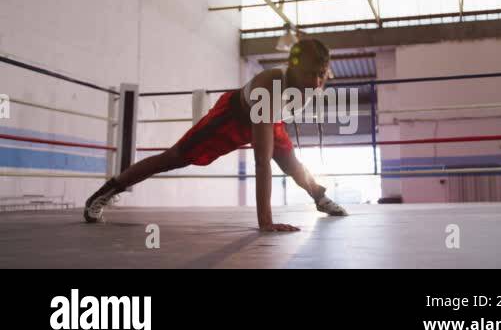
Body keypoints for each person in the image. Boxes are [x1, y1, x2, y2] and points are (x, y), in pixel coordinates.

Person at [84, 39, 348, 232]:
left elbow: (314, 73)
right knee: (174, 157)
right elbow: (261, 162)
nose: (316, 82)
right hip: (233, 117)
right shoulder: (270, 85)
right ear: (292, 66)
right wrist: (266, 222)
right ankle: (105, 192)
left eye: (321, 75)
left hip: (272, 117)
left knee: (293, 164)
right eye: (311, 74)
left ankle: (319, 198)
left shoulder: (313, 78)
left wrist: (318, 73)